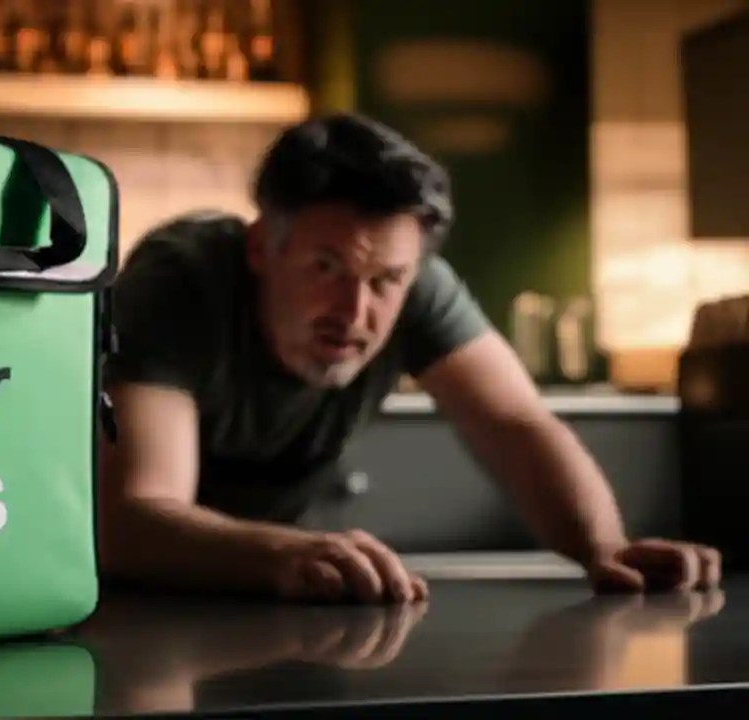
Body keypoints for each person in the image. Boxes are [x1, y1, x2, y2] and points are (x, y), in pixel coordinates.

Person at [96, 112, 721, 604]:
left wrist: (606, 548)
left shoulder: (416, 283)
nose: (355, 309)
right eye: (325, 267)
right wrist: (286, 555)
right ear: (262, 247)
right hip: (136, 590)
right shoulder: (180, 282)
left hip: (271, 589)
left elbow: (516, 425)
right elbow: (132, 519)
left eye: (386, 280)